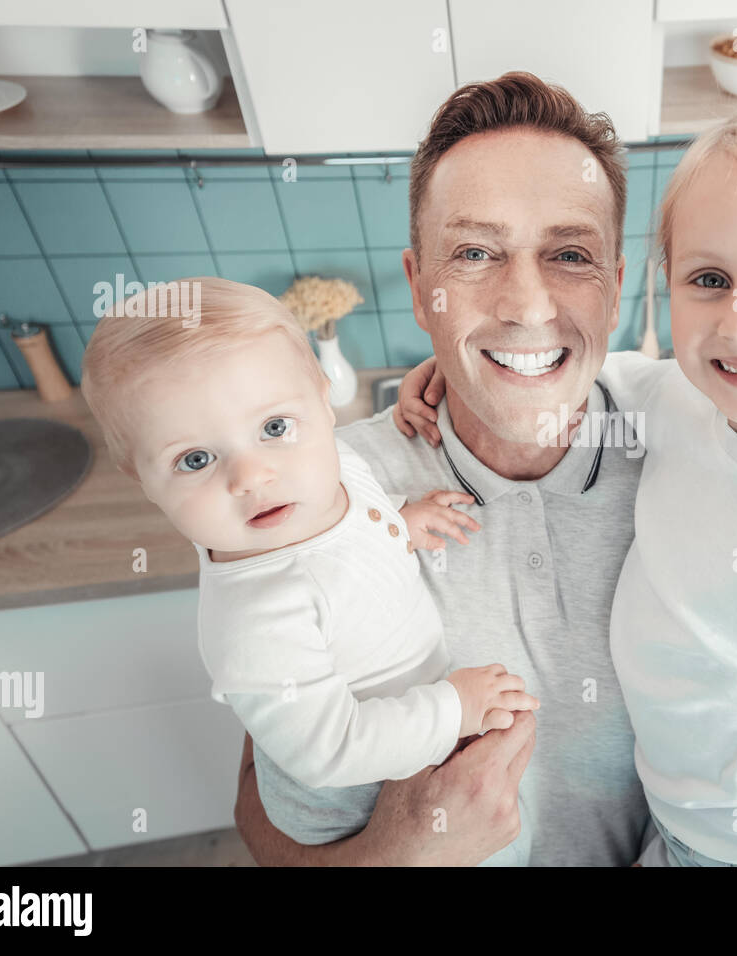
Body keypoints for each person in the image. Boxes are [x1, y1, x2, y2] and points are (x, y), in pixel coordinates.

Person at [398, 92, 737, 866]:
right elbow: (534, 365)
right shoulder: (677, 401)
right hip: (671, 830)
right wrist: (444, 363)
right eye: (709, 278)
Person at [231, 72, 657, 866]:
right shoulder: (326, 493)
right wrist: (393, 853)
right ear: (422, 288)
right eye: (474, 252)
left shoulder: (691, 456)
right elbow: (259, 799)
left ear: (617, 287)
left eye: (570, 254)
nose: (528, 304)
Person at [79, 277, 539, 851]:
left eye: (273, 427)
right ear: (140, 478)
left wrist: (400, 521)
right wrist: (454, 708)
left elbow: (345, 529)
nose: (251, 476)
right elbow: (332, 750)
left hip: (398, 724)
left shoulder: (329, 464)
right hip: (352, 799)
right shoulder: (257, 620)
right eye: (194, 459)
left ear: (324, 400)